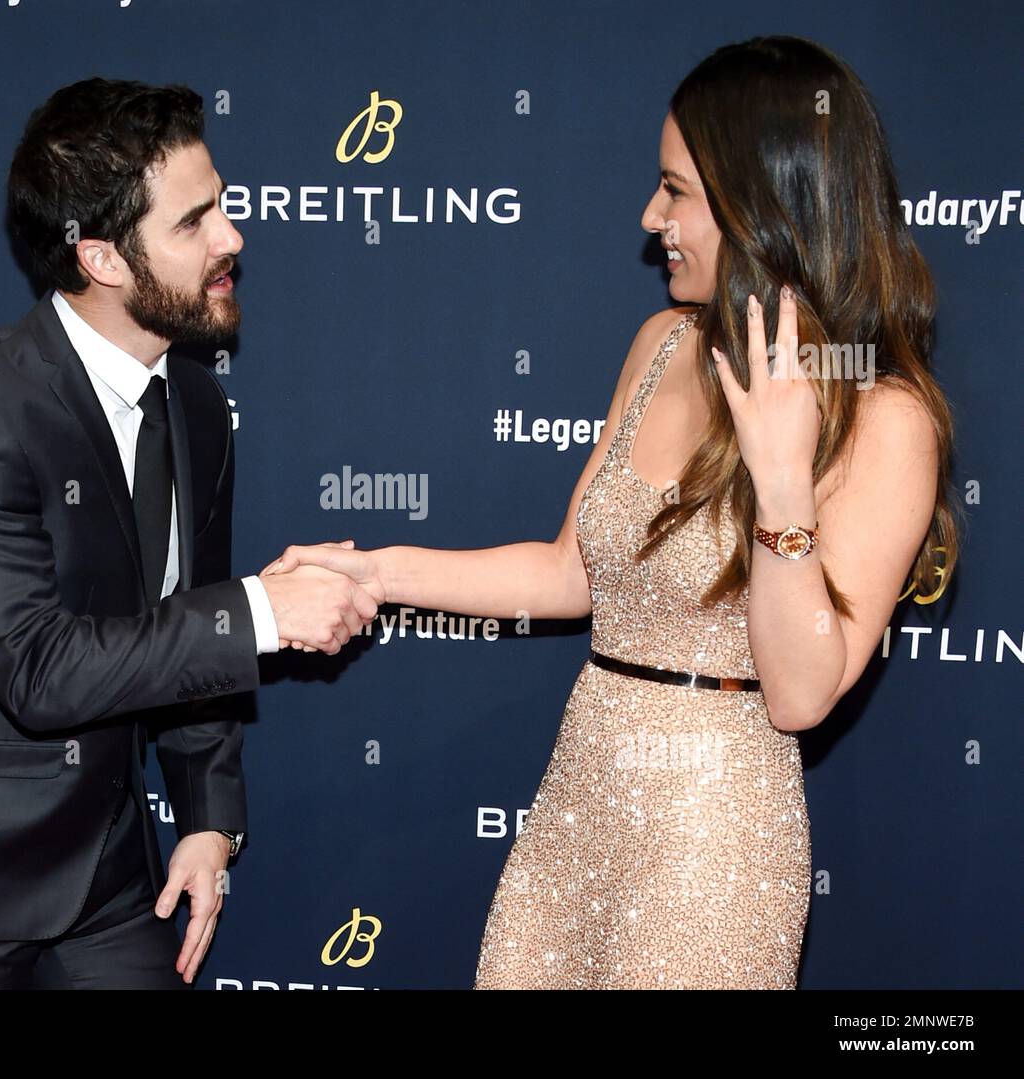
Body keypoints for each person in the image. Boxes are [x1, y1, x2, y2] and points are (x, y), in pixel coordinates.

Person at [264, 36, 959, 989]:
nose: (650, 217)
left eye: (675, 190)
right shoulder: (664, 342)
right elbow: (569, 571)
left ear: (761, 202)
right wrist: (374, 571)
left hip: (713, 843)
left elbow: (802, 694)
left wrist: (782, 479)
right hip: (578, 797)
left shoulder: (885, 416)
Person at [0, 79, 377, 989]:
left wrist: (208, 819)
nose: (231, 239)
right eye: (193, 222)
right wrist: (262, 610)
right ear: (101, 259)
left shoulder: (200, 405)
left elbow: (192, 624)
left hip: (112, 873)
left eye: (223, 206)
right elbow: (39, 670)